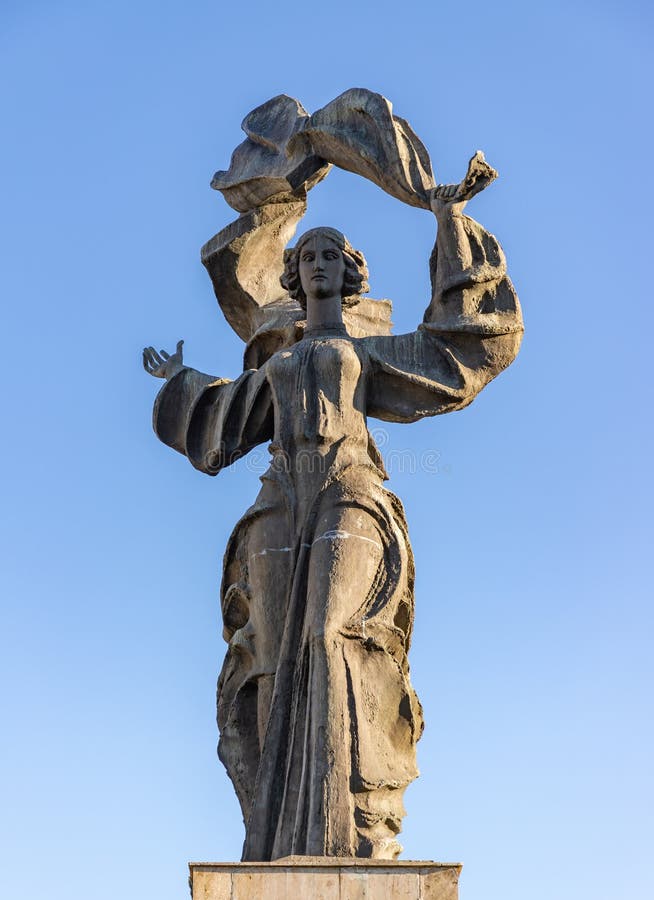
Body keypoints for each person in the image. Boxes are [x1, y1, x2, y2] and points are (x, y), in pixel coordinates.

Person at [143, 184, 523, 861]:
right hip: (280, 500)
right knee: (274, 652)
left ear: (350, 274)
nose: (318, 262)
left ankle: (358, 830)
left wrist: (448, 221)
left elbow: (456, 351)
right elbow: (224, 422)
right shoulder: (281, 362)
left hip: (350, 489)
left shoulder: (366, 353)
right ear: (295, 274)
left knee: (329, 636)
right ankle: (271, 840)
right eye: (308, 254)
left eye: (331, 255)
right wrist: (180, 380)